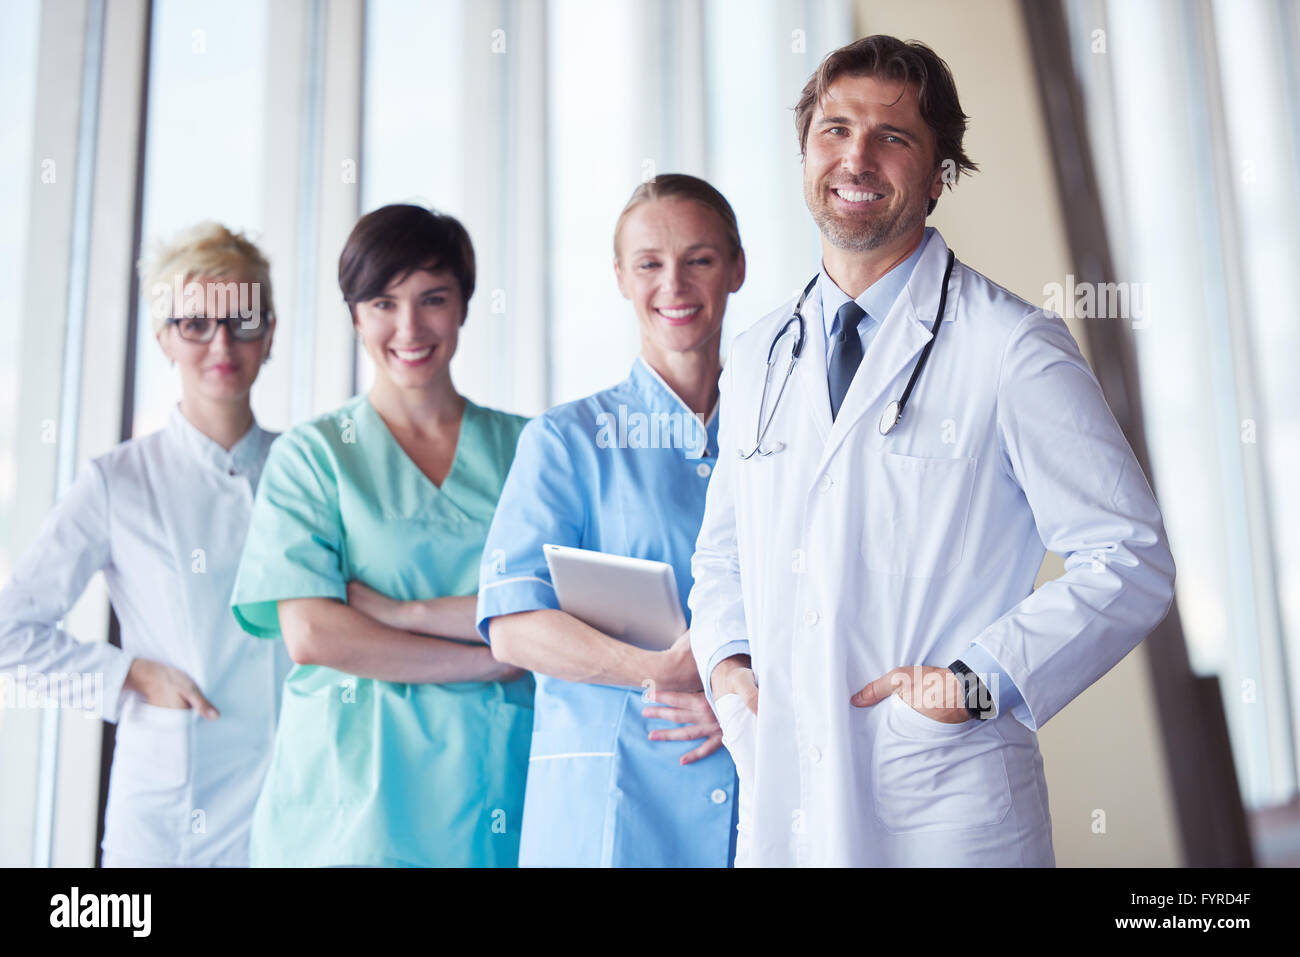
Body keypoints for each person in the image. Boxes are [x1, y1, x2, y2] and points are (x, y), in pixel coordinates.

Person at [690, 35, 1176, 867]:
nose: (857, 157)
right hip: (788, 798)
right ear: (804, 150)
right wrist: (730, 674)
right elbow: (724, 552)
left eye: (894, 137)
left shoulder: (1011, 346)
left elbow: (1130, 557)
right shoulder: (761, 351)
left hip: (943, 803)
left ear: (940, 172)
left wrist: (976, 680)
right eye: (835, 130)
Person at [229, 204, 533, 867]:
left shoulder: (528, 449)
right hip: (351, 809)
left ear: (463, 306)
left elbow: (551, 613)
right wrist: (491, 656)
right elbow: (315, 634)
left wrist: (402, 614)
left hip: (494, 788)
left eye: (433, 299)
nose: (409, 327)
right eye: (382, 302)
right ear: (355, 314)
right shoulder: (315, 455)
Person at [0, 222, 290, 866]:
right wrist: (125, 674)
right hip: (168, 817)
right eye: (195, 325)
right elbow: (9, 632)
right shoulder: (117, 482)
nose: (222, 343)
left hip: (292, 802)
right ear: (164, 337)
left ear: (269, 335)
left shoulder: (304, 470)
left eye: (243, 322)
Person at [477, 174, 744, 867]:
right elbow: (510, 624)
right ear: (622, 278)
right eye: (650, 263)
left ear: (737, 267)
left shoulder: (778, 436)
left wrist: (745, 689)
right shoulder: (567, 441)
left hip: (755, 790)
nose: (674, 285)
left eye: (700, 259)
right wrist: (659, 668)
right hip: (612, 807)